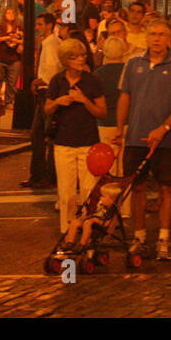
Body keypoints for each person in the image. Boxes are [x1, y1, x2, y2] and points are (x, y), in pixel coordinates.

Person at [112, 19, 171, 261]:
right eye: (153, 34)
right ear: (146, 37)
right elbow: (125, 97)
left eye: (161, 34)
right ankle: (140, 237)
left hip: (165, 141)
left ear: (169, 38)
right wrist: (119, 128)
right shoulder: (133, 63)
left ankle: (163, 239)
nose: (157, 39)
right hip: (136, 136)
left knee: (165, 187)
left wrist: (164, 128)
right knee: (138, 188)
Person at [45, 38, 107, 233]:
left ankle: (88, 231)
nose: (81, 59)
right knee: (66, 194)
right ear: (66, 60)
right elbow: (46, 109)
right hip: (63, 143)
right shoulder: (57, 80)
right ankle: (67, 231)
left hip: (88, 142)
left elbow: (102, 112)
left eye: (82, 55)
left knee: (89, 193)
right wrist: (58, 102)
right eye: (75, 57)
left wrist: (84, 100)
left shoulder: (92, 81)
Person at [23, 13, 60, 189]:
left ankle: (43, 175)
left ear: (50, 25)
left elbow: (52, 73)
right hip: (45, 92)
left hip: (46, 93)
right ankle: (41, 174)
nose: (37, 28)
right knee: (42, 134)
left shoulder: (51, 45)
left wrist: (39, 82)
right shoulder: (48, 44)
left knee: (42, 134)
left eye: (40, 24)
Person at [93, 37, 127, 173]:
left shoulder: (98, 75)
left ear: (105, 52)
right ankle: (125, 193)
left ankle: (109, 193)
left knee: (108, 164)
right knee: (125, 165)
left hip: (104, 123)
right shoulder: (130, 71)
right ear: (124, 51)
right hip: (127, 122)